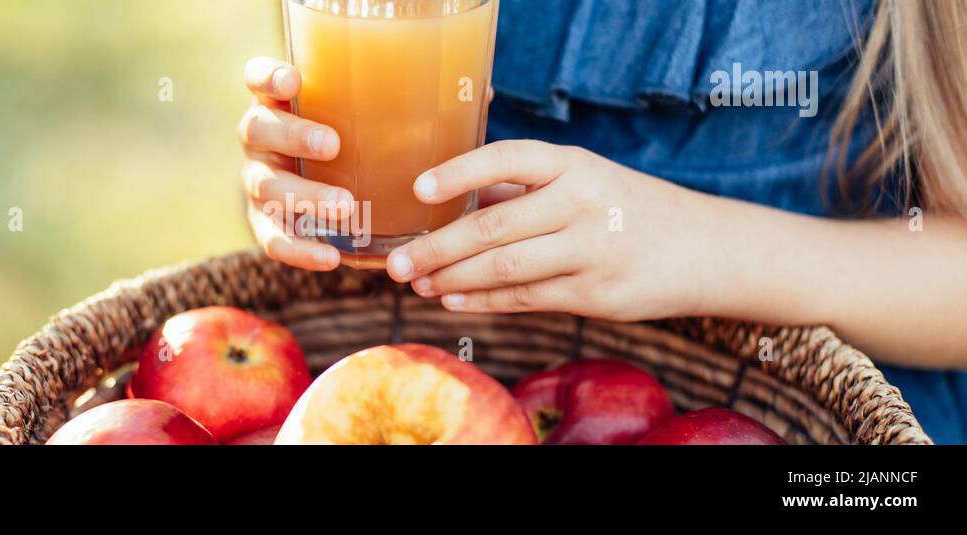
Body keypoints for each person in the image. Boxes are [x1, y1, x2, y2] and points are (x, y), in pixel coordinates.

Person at [236, 0, 967, 443]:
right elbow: (362, 91)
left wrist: (694, 246)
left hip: (820, 415)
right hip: (452, 381)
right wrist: (312, 181)